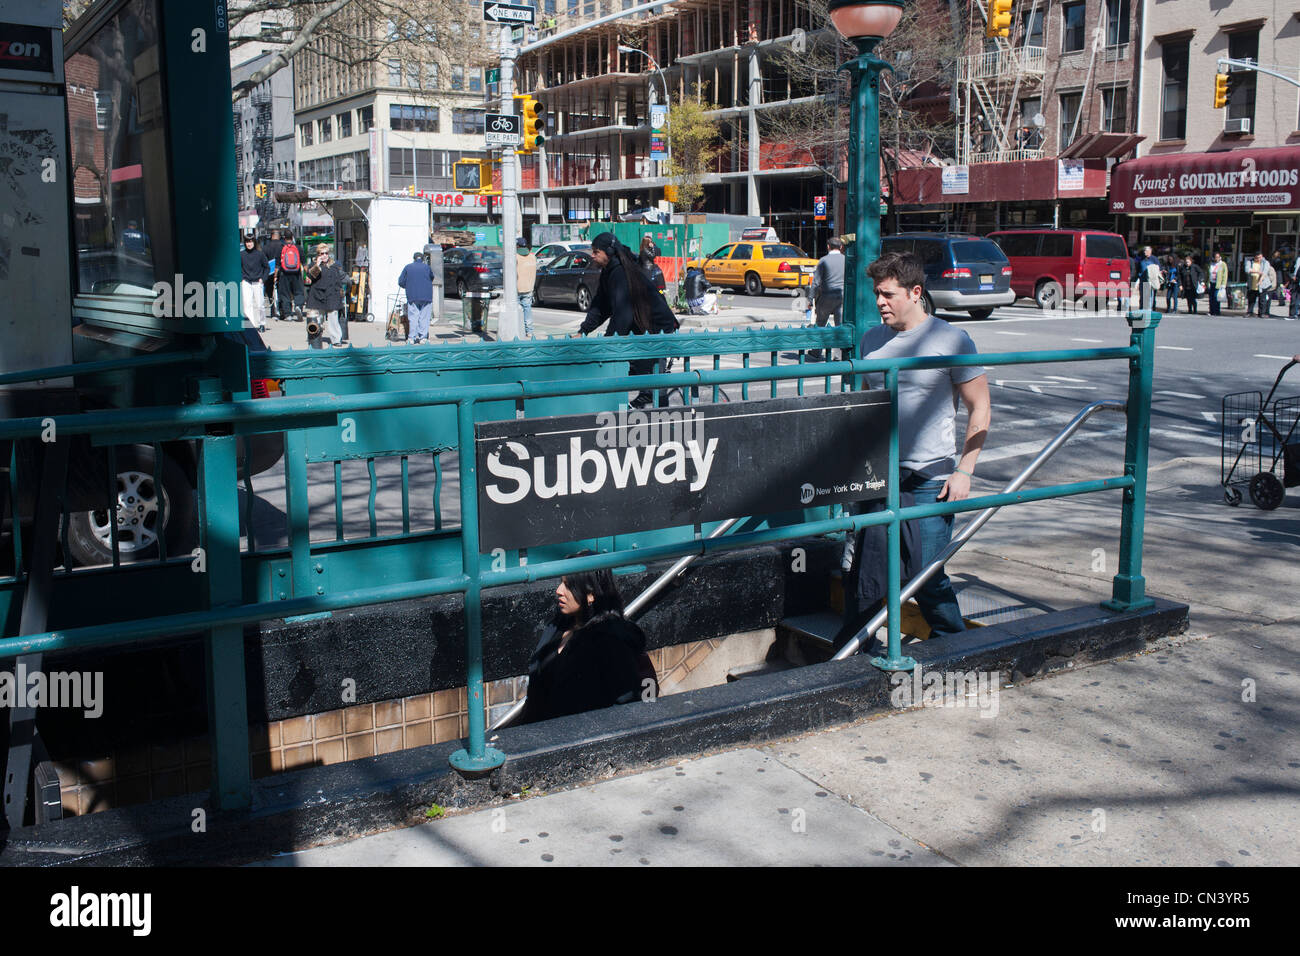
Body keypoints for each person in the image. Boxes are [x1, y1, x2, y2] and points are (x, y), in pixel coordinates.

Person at [833, 250, 991, 650]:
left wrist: (965, 471)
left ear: (915, 292)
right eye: (876, 294)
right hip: (877, 474)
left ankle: (954, 646)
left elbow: (980, 407)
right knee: (866, 569)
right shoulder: (872, 339)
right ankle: (857, 649)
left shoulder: (951, 339)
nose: (879, 302)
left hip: (929, 477)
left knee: (927, 573)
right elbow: (862, 402)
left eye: (887, 294)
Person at [515, 566, 657, 725]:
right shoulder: (557, 626)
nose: (558, 590)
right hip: (540, 731)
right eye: (560, 583)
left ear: (591, 595)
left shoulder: (611, 641)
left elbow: (626, 704)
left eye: (568, 586)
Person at [579, 232, 678, 409]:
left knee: (652, 384)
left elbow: (622, 314)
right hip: (642, 329)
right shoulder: (609, 271)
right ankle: (643, 406)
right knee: (640, 376)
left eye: (596, 252)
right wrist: (583, 330)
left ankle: (665, 423)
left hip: (657, 329)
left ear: (608, 252)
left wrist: (609, 343)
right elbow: (600, 306)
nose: (592, 256)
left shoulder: (621, 272)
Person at [807, 237, 845, 362]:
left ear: (828, 246)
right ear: (841, 247)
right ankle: (838, 355)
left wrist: (810, 298)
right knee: (839, 326)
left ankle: (816, 351)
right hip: (842, 296)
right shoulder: (846, 260)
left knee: (821, 324)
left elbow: (816, 282)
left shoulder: (823, 261)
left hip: (826, 296)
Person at [304, 243, 345, 346]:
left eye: (326, 253)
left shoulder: (334, 265)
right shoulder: (314, 265)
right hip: (318, 295)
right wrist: (317, 265)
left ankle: (336, 339)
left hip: (332, 295)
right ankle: (316, 337)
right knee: (318, 319)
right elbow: (310, 277)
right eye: (322, 253)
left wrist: (341, 292)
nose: (324, 255)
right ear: (318, 254)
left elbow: (340, 279)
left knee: (333, 318)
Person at [398, 250, 436, 345]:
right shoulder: (427, 267)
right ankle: (423, 338)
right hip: (426, 296)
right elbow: (432, 277)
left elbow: (401, 281)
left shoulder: (408, 267)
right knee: (424, 317)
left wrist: (407, 286)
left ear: (414, 259)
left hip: (412, 296)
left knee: (413, 317)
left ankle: (412, 338)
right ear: (423, 259)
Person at [239, 231, 269, 332]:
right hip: (246, 282)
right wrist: (242, 279)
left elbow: (267, 268)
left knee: (260, 304)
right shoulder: (241, 255)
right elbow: (238, 268)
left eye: (251, 241)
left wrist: (263, 279)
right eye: (247, 241)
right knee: (247, 304)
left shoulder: (260, 254)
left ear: (254, 242)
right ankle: (249, 326)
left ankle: (262, 323)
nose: (249, 243)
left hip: (257, 281)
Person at [277, 231, 305, 320]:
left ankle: (288, 314)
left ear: (284, 238)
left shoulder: (281, 248)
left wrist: (275, 276)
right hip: (296, 273)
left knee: (285, 294)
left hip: (284, 273)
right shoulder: (298, 248)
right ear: (292, 237)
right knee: (299, 292)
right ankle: (298, 306)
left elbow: (277, 264)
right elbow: (304, 262)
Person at [515, 237, 537, 338]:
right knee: (527, 309)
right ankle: (529, 331)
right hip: (529, 287)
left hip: (517, 288)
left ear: (517, 246)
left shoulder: (515, 257)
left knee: (516, 310)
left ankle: (517, 329)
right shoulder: (533, 257)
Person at [262, 229, 283, 319]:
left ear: (271, 236)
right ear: (279, 236)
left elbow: (263, 261)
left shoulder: (266, 247)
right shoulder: (283, 246)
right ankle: (282, 311)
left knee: (270, 292)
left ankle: (273, 311)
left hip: (269, 273)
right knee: (282, 292)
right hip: (282, 272)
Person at [1136, 245, 1160, 311]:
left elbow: (1158, 269)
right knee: (1142, 296)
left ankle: (1149, 309)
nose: (1145, 252)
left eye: (1146, 251)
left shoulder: (1154, 259)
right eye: (1144, 251)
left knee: (1150, 296)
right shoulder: (1141, 259)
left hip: (1151, 280)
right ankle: (1141, 309)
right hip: (1142, 280)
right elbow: (1138, 269)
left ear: (1150, 251)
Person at [1254, 252, 1276, 317]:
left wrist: (1261, 280)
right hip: (1258, 284)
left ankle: (1264, 313)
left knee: (1264, 300)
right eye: (1257, 258)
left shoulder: (1267, 265)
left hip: (1267, 285)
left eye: (1260, 257)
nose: (1259, 259)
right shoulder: (1255, 263)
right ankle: (1262, 312)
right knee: (1261, 299)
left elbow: (1270, 276)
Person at [1208, 251, 1228, 316]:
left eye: (1218, 257)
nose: (1216, 258)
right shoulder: (1211, 264)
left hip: (1218, 283)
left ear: (1220, 257)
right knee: (1211, 298)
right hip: (1211, 282)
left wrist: (1223, 284)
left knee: (1216, 297)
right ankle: (1211, 311)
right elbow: (1209, 273)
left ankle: (1217, 311)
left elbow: (1225, 274)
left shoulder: (1222, 264)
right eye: (1215, 257)